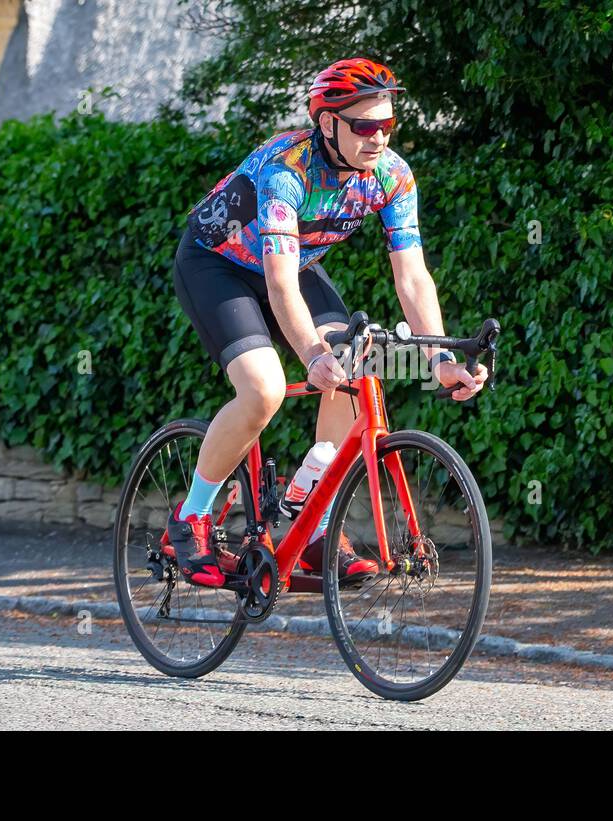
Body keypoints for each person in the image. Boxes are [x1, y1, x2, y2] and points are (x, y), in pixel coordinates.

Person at [168, 57, 488, 588]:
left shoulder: (392, 176)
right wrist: (312, 354)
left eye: (388, 124)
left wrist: (442, 361)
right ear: (327, 123)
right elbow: (280, 287)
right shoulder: (286, 171)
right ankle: (192, 516)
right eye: (365, 125)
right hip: (218, 266)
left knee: (356, 362)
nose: (378, 137)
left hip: (295, 266)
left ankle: (311, 517)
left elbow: (412, 279)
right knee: (264, 390)